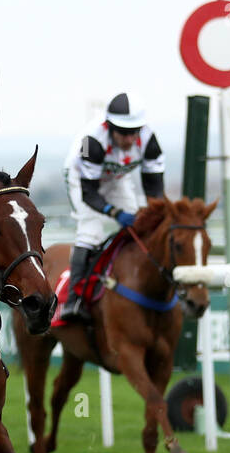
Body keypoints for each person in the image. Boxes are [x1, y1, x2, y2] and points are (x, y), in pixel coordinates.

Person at [59, 93, 166, 323]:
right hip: (82, 180)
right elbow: (89, 193)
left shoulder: (150, 142)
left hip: (117, 179)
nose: (129, 139)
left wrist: (156, 215)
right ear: (109, 126)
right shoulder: (91, 142)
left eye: (133, 132)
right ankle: (74, 299)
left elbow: (154, 189)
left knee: (138, 226)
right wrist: (115, 213)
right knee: (91, 230)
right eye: (123, 132)